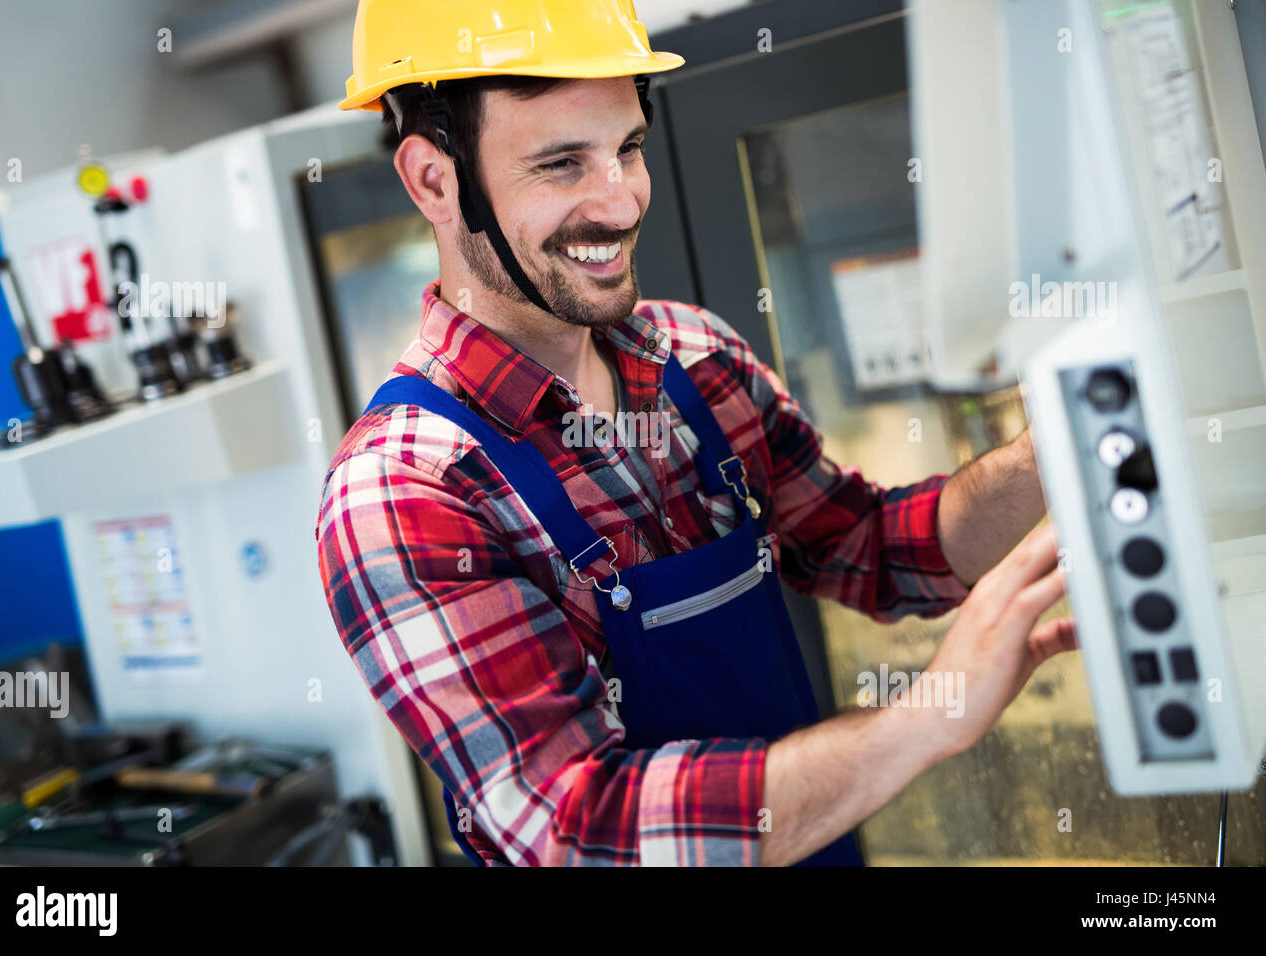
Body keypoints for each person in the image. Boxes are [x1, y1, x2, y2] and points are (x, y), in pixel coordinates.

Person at [315, 0, 1076, 866]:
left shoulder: (697, 358)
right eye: (563, 164)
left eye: (629, 148)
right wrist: (928, 714)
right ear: (433, 181)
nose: (620, 201)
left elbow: (869, 545)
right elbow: (580, 831)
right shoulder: (406, 490)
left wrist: (1058, 446)